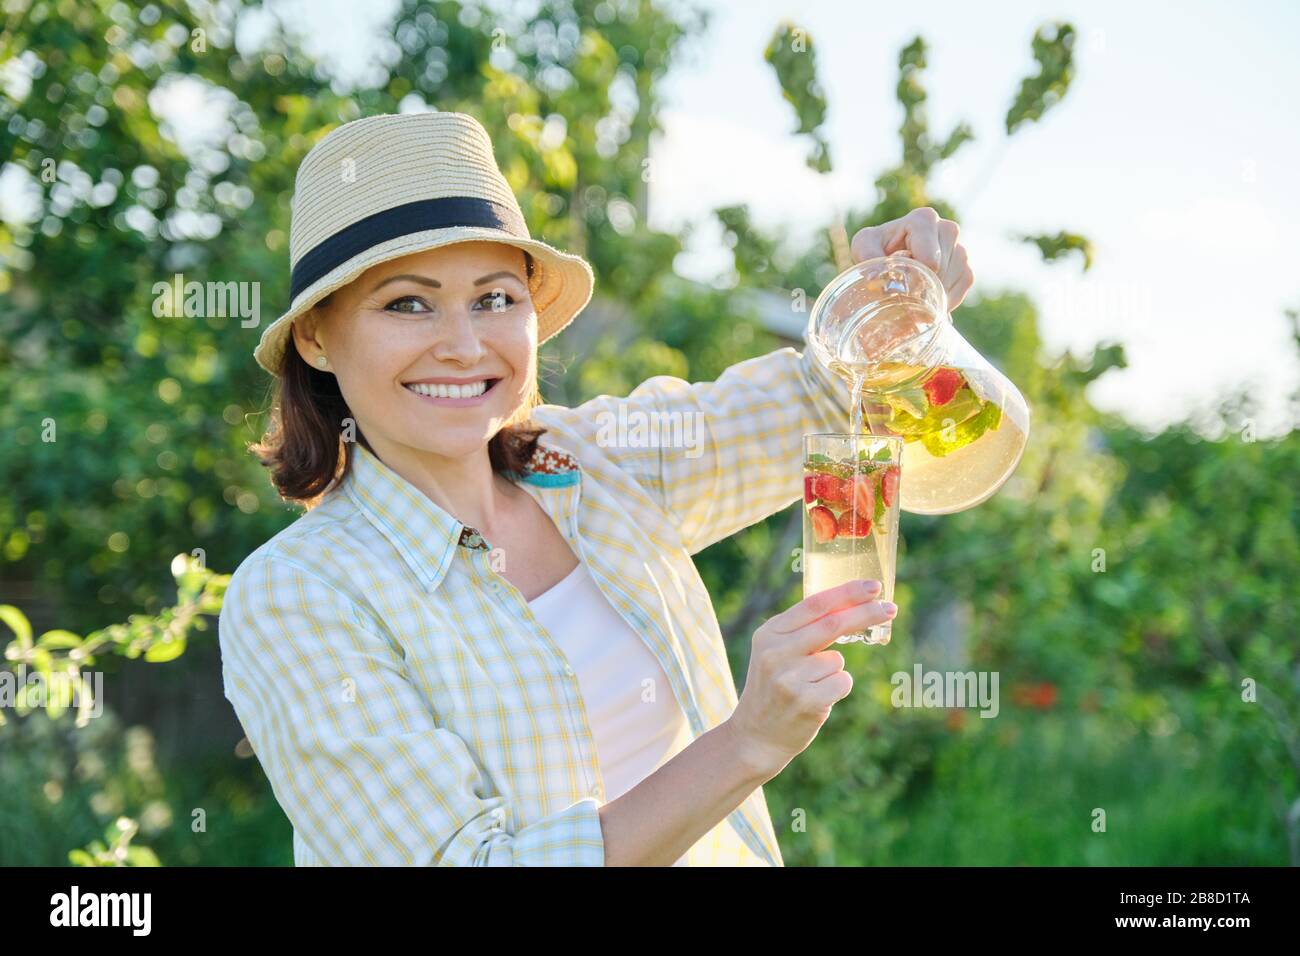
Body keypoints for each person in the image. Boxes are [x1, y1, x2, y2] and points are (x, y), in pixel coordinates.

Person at [217, 111, 974, 866]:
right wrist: (746, 743)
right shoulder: (297, 596)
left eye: (495, 298)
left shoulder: (596, 464)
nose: (464, 345)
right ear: (316, 336)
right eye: (407, 304)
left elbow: (825, 389)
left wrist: (895, 288)